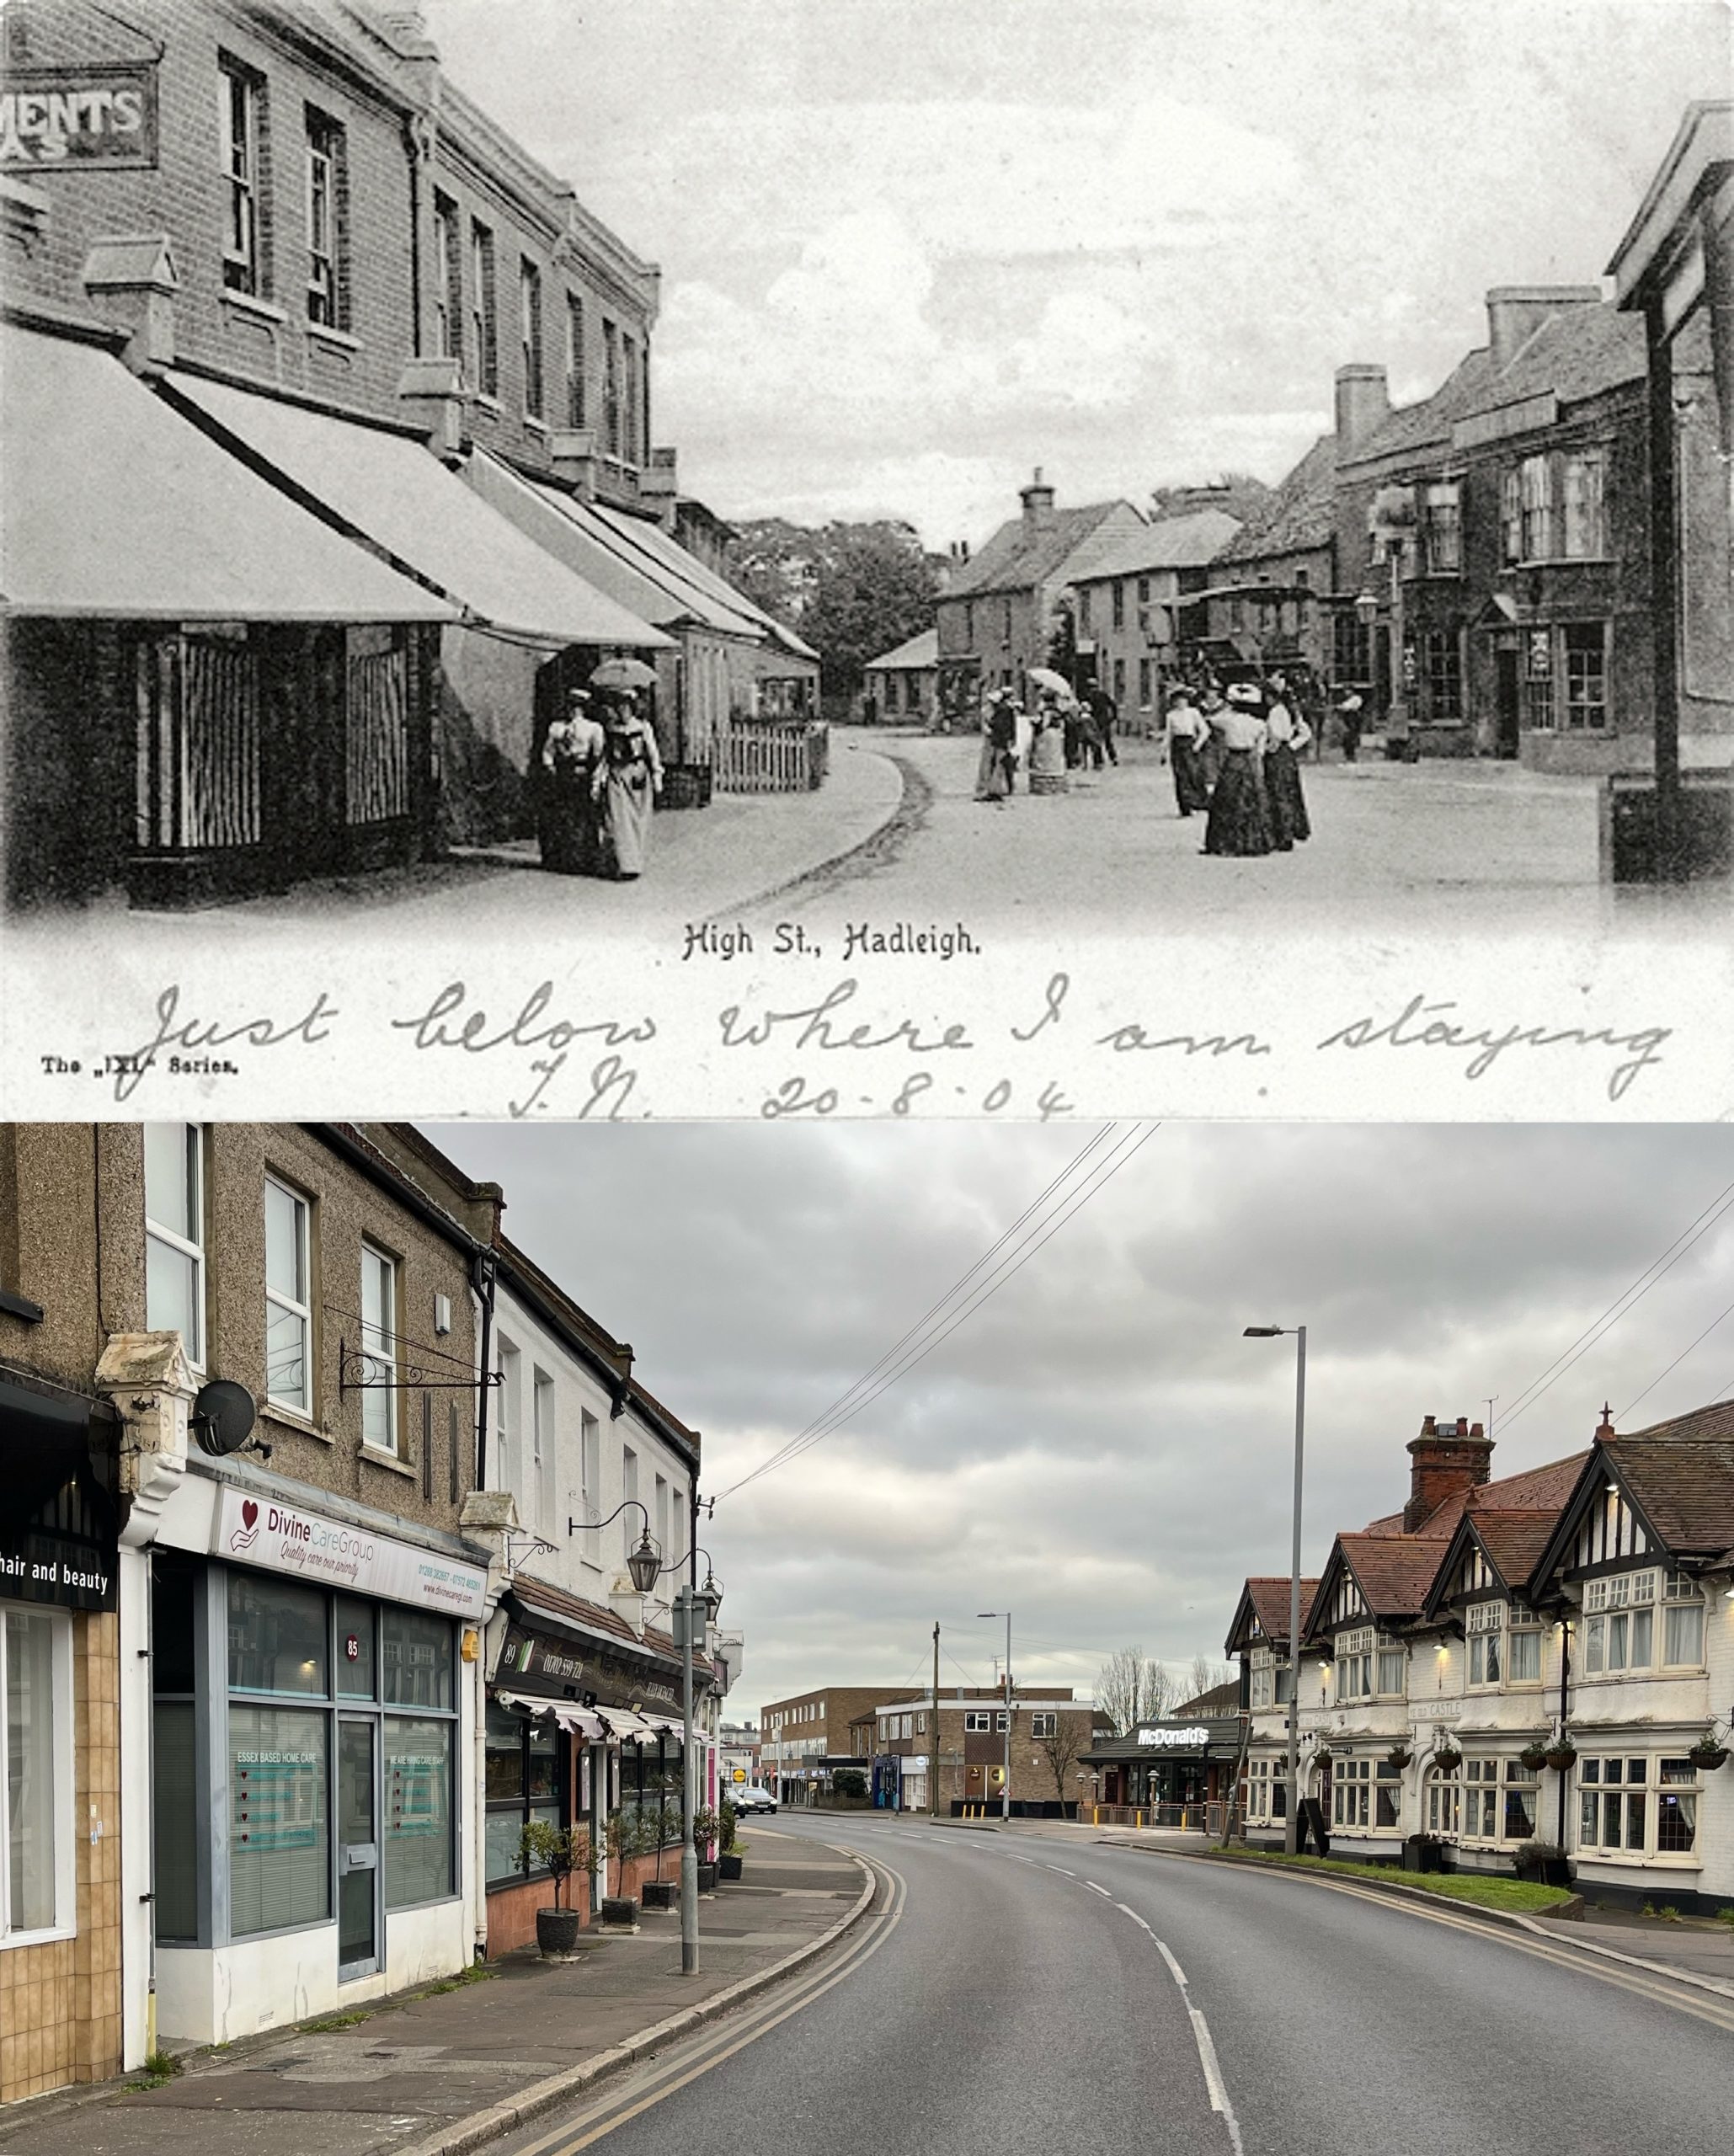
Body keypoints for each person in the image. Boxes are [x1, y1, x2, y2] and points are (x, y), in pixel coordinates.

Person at [594, 686, 664, 878]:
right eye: (620, 707)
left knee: (637, 820)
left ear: (633, 708)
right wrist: (598, 779)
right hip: (617, 776)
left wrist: (657, 776)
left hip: (637, 774)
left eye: (626, 707)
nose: (623, 711)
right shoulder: (611, 728)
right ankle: (625, 865)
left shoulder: (642, 727)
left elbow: (653, 753)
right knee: (618, 820)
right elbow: (605, 757)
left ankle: (635, 862)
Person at [537, 689, 606, 874]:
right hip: (563, 774)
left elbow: (598, 755)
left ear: (583, 709)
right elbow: (548, 750)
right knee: (563, 816)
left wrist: (596, 780)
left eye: (577, 707)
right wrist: (550, 765)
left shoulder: (593, 728)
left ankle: (585, 860)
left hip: (582, 772)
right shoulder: (557, 727)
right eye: (570, 706)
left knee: (583, 817)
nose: (573, 711)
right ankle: (563, 859)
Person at [1202, 683, 1272, 856]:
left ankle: (1225, 842)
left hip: (1233, 760)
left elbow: (1210, 720)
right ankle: (1252, 841)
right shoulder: (1259, 724)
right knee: (1251, 800)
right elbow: (1260, 750)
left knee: (1227, 799)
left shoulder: (1228, 721)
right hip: (1249, 761)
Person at [1263, 687, 1313, 850]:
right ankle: (1288, 832)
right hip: (1287, 756)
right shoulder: (1292, 712)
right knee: (1288, 793)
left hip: (1277, 756)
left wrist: (1267, 750)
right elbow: (1306, 733)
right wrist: (1291, 747)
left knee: (1277, 793)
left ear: (1272, 697)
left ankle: (1281, 835)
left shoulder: (1275, 712)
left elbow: (1276, 737)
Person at [1165, 688, 1212, 817]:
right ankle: (1184, 806)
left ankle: (1200, 803)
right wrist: (1164, 751)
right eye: (1178, 701)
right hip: (1177, 745)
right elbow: (1168, 734)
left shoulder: (1193, 713)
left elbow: (1205, 730)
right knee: (1180, 775)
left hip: (1190, 744)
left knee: (1194, 773)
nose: (1180, 703)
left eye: (1183, 700)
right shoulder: (1171, 715)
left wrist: (1197, 745)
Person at [974, 687, 1019, 804]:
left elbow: (998, 725)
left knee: (995, 764)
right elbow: (1005, 726)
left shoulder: (1002, 709)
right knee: (999, 764)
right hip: (1001, 740)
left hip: (998, 740)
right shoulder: (1006, 709)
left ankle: (993, 789)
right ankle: (995, 790)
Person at [1027, 690, 1071, 794]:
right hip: (1056, 736)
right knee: (1056, 758)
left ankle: (1045, 783)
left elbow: (1044, 725)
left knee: (1045, 758)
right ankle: (1058, 782)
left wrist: (1035, 724)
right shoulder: (1058, 711)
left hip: (1047, 736)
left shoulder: (1047, 711)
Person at [1085, 682, 1119, 768]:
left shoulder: (1089, 697)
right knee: (1107, 741)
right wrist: (1113, 716)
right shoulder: (1103, 695)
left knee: (1097, 741)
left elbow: (1088, 709)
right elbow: (1113, 705)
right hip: (1104, 721)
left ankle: (1099, 761)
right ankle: (1113, 758)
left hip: (1095, 722)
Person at [1332, 685, 1366, 764]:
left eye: (1347, 690)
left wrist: (1340, 707)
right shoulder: (1345, 699)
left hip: (1353, 718)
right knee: (1346, 738)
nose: (1346, 692)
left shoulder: (1356, 698)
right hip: (1347, 718)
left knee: (1351, 737)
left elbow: (1349, 707)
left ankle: (1352, 756)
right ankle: (1348, 756)